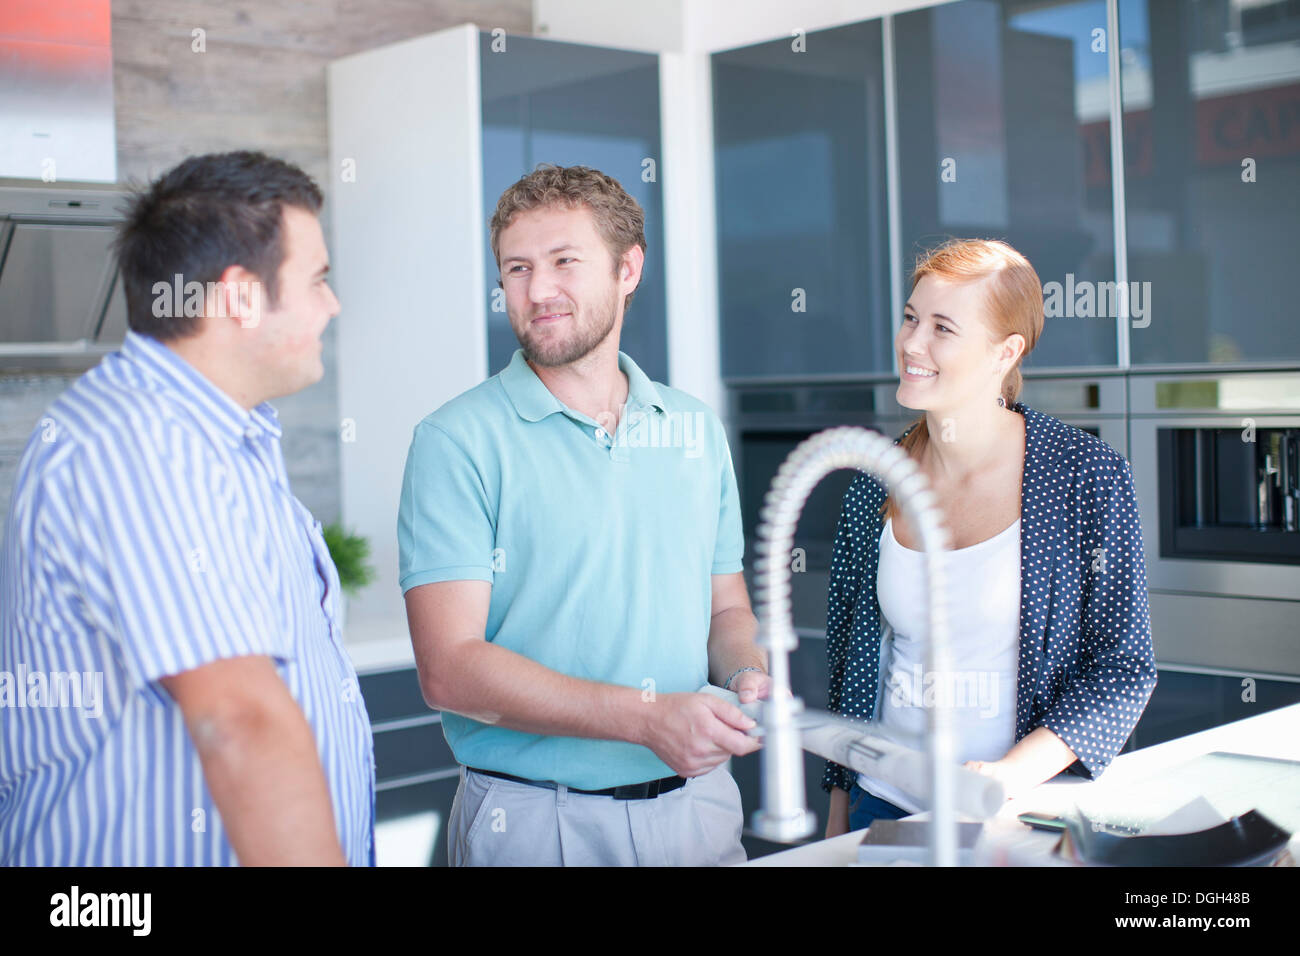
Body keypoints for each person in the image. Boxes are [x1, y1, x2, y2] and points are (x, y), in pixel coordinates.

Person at [0, 151, 375, 865]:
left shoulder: (218, 437)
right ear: (238, 296)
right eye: (318, 280)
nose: (331, 304)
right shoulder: (141, 444)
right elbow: (238, 720)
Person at [399, 164, 767, 866]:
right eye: (517, 268)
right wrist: (648, 718)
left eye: (565, 261)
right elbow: (449, 670)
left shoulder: (692, 428)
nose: (538, 291)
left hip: (699, 812)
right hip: (537, 824)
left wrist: (745, 670)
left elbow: (724, 609)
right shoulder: (456, 441)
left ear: (629, 268)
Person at [822, 238, 1157, 837]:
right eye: (910, 318)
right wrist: (840, 818)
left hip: (1021, 809)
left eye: (942, 328)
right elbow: (850, 663)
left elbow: (1122, 668)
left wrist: (1006, 775)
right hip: (883, 802)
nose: (911, 344)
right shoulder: (873, 482)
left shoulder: (1086, 476)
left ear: (1005, 352)